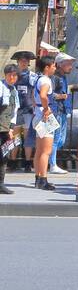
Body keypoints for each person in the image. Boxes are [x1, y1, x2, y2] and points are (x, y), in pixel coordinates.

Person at [32, 56, 59, 191]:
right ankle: (43, 179)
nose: (55, 68)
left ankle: (38, 177)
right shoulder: (46, 80)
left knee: (39, 150)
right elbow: (43, 95)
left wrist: (39, 108)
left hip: (37, 114)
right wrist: (47, 109)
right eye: (53, 65)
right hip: (45, 116)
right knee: (46, 151)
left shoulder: (38, 78)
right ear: (47, 67)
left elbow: (34, 96)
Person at [0, 61, 20, 194]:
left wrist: (11, 128)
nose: (12, 78)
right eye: (10, 75)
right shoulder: (1, 87)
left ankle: (1, 183)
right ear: (5, 75)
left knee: (3, 155)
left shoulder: (14, 90)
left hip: (6, 128)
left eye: (14, 75)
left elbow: (15, 111)